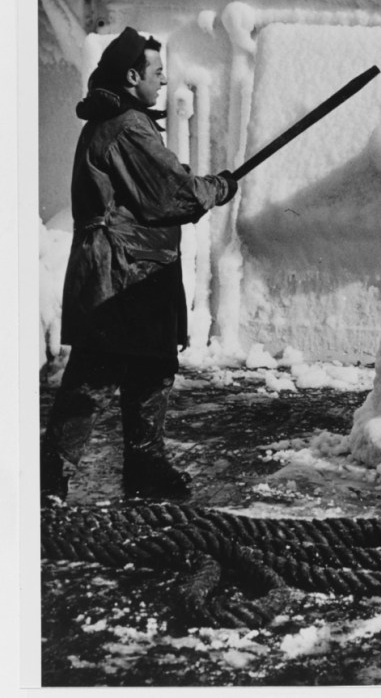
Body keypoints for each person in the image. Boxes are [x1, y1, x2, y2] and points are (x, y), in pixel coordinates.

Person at [41, 27, 238, 504]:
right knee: (94, 376)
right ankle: (46, 480)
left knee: (151, 369)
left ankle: (145, 468)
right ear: (132, 76)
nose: (164, 81)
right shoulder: (126, 125)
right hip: (119, 270)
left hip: (142, 269)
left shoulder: (125, 121)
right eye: (157, 72)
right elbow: (170, 194)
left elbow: (156, 186)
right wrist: (218, 187)